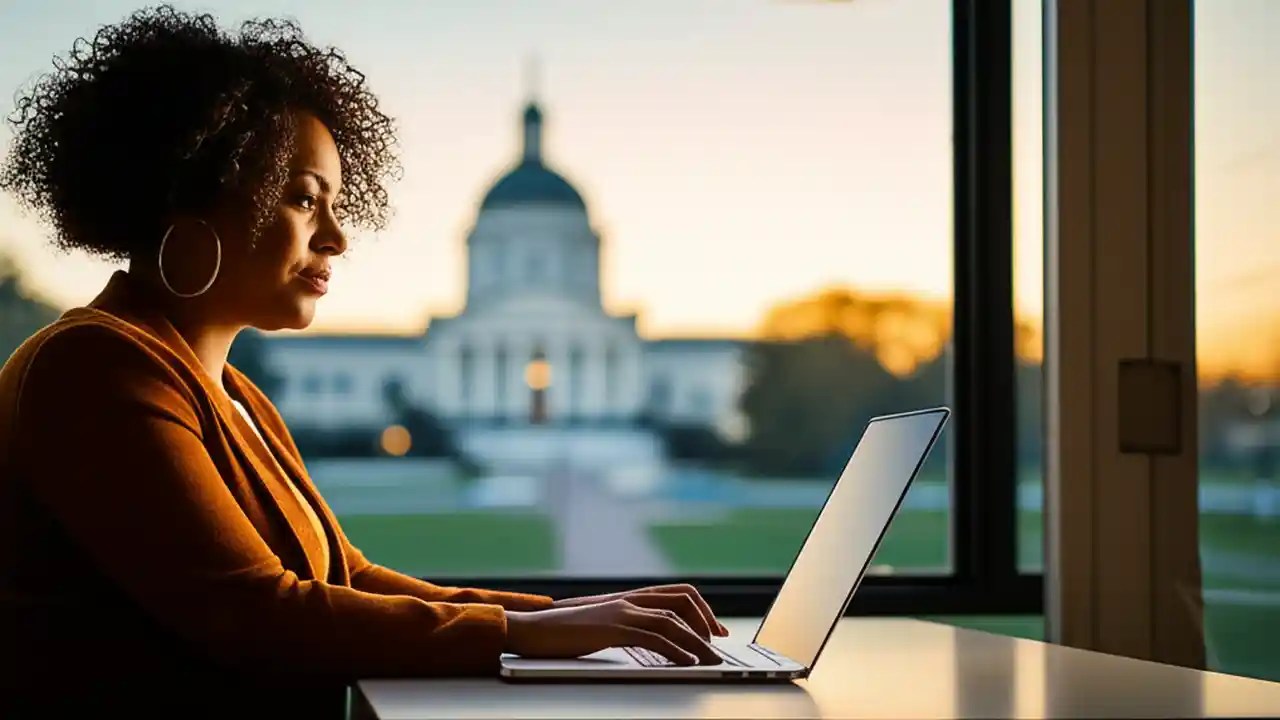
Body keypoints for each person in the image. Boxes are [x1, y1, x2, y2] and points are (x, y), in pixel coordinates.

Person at [0, 6, 726, 716]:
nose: (338, 238)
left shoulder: (234, 396)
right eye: (304, 199)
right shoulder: (94, 367)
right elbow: (258, 614)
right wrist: (529, 632)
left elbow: (347, 577)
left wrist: (577, 618)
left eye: (338, 203)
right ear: (194, 194)